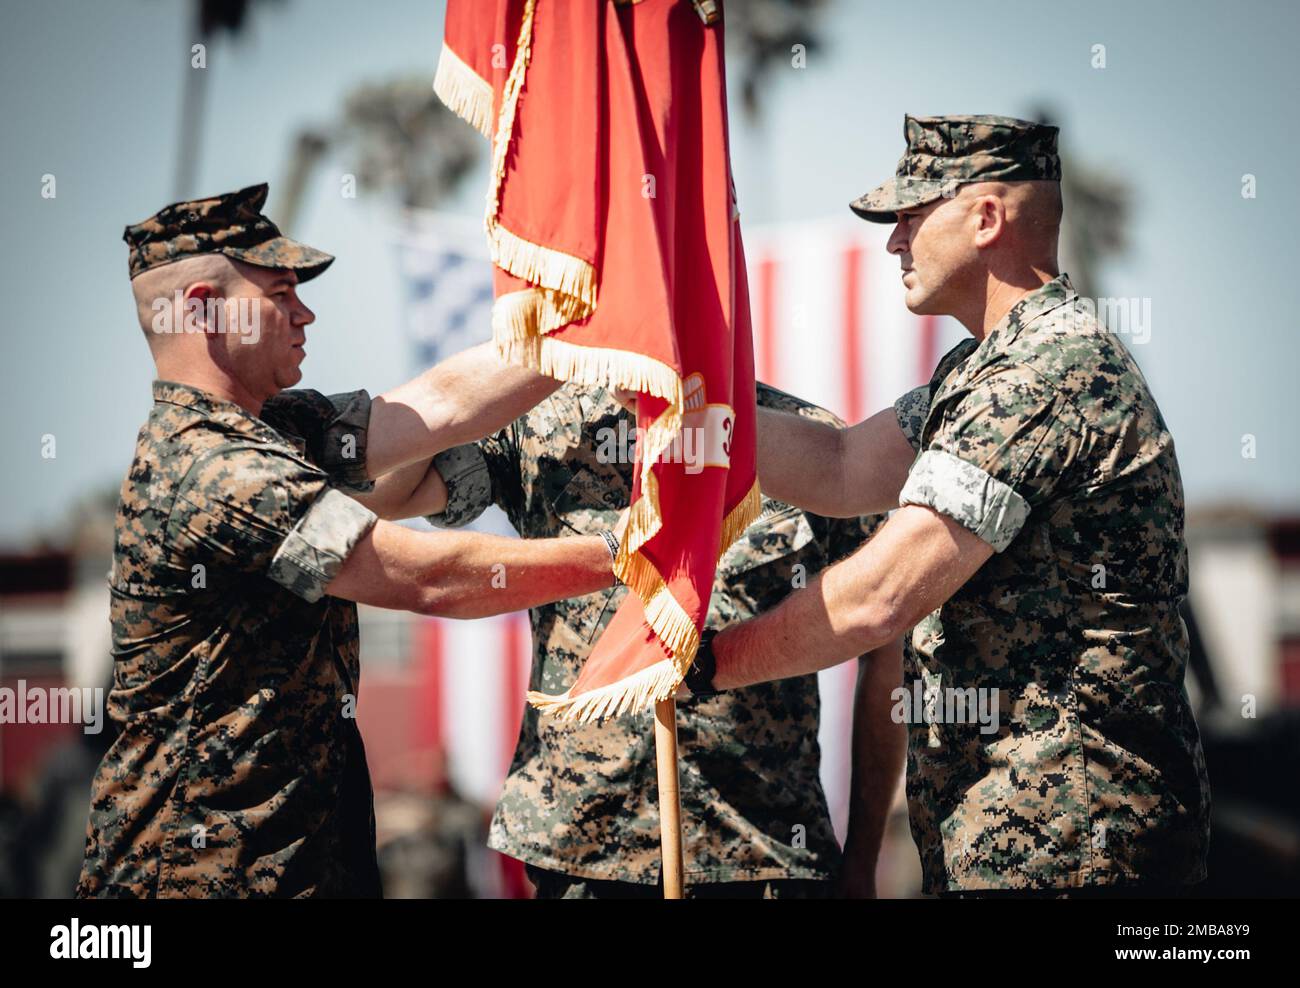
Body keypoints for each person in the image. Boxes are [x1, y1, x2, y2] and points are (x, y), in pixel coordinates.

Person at [682, 115, 1211, 896]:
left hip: (1077, 851)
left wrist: (698, 666)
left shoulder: (1048, 370)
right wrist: (686, 422)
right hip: (1017, 842)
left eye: (909, 216)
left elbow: (878, 598)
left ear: (986, 218)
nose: (895, 242)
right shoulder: (983, 368)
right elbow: (838, 465)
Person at [77, 184, 619, 898]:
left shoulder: (273, 429)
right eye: (279, 293)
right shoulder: (211, 470)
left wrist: (599, 313)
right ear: (204, 307)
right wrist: (626, 558)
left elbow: (439, 405)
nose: (305, 312)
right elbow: (428, 577)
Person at [428, 382, 905, 898]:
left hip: (762, 855)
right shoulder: (540, 429)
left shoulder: (809, 443)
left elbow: (886, 651)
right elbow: (396, 486)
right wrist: (529, 362)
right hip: (583, 855)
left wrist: (862, 857)